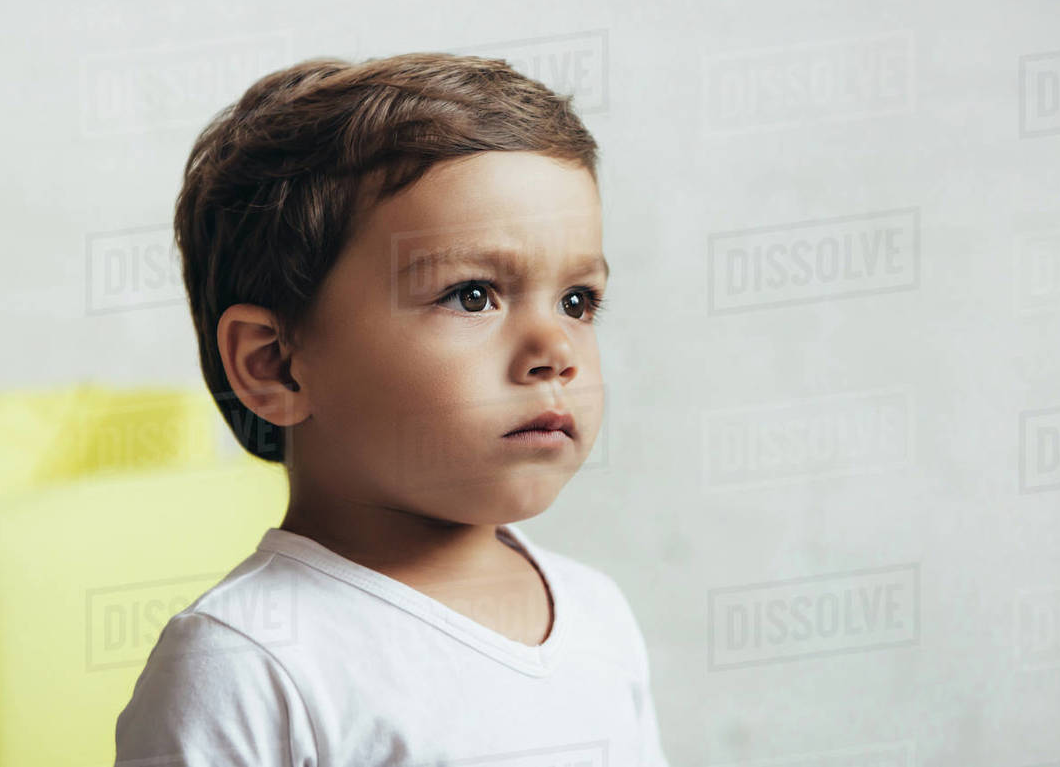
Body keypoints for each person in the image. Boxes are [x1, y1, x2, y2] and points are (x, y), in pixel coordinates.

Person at [114, 52, 670, 766]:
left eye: (577, 300)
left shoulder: (599, 616)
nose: (555, 348)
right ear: (275, 364)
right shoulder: (247, 662)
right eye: (472, 294)